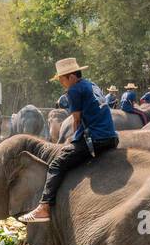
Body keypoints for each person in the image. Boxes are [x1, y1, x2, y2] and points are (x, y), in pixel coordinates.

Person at [21, 58, 118, 223]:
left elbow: (76, 121)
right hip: (111, 137)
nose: (61, 82)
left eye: (62, 79)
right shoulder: (92, 85)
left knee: (57, 164)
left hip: (96, 140)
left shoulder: (74, 90)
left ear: (71, 77)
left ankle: (44, 207)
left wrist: (74, 142)